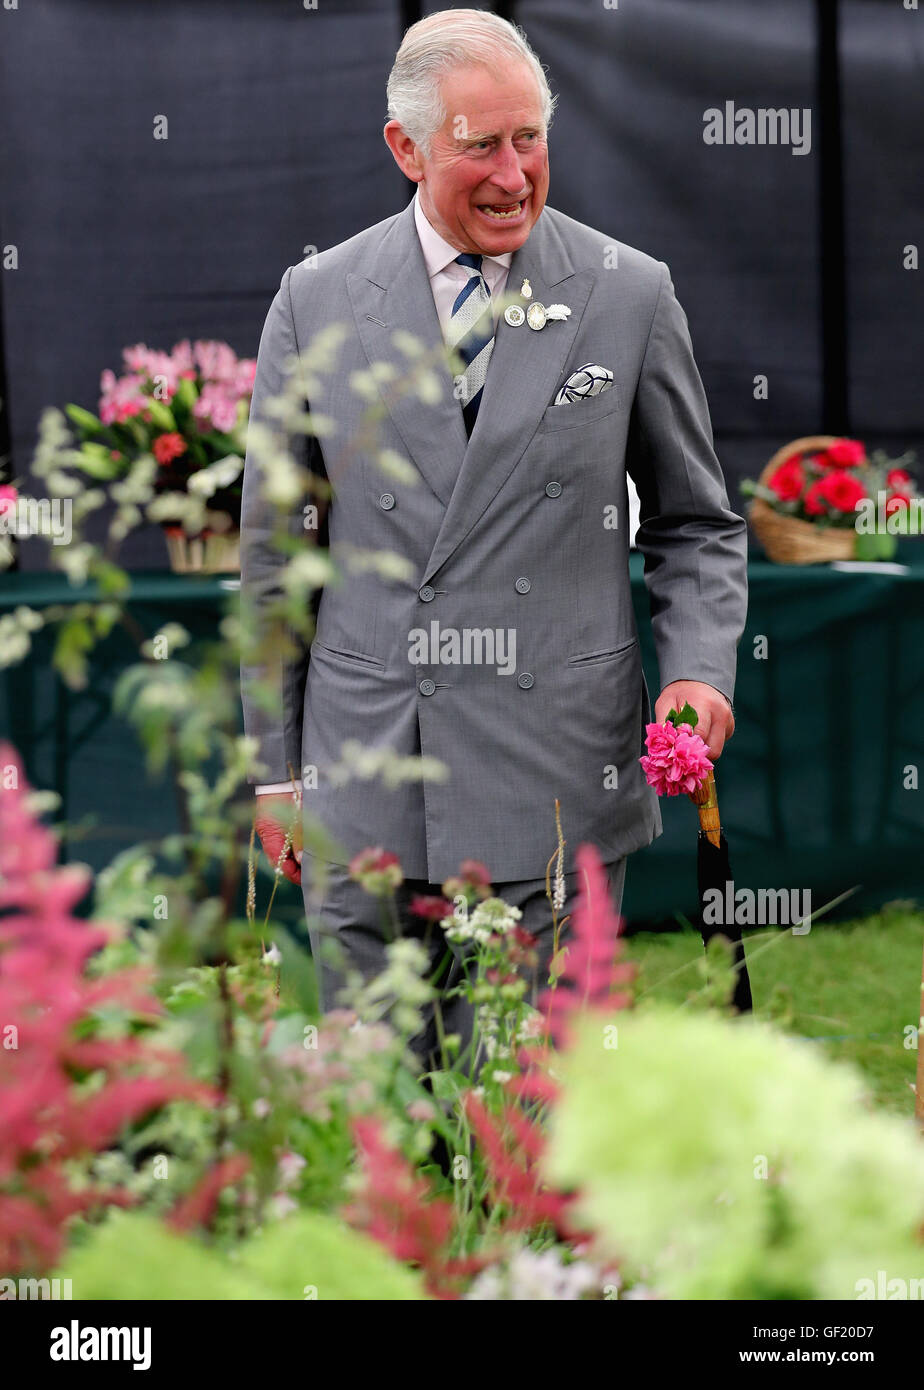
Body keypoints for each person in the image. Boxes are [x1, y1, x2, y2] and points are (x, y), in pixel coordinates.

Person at [240, 8, 747, 1071]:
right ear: (407, 147)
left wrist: (700, 673)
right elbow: (279, 556)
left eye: (532, 140)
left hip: (552, 773)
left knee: (523, 1114)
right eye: (482, 145)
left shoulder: (629, 292)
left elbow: (697, 523)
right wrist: (274, 775)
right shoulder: (316, 299)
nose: (515, 174)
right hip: (365, 779)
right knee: (386, 1109)